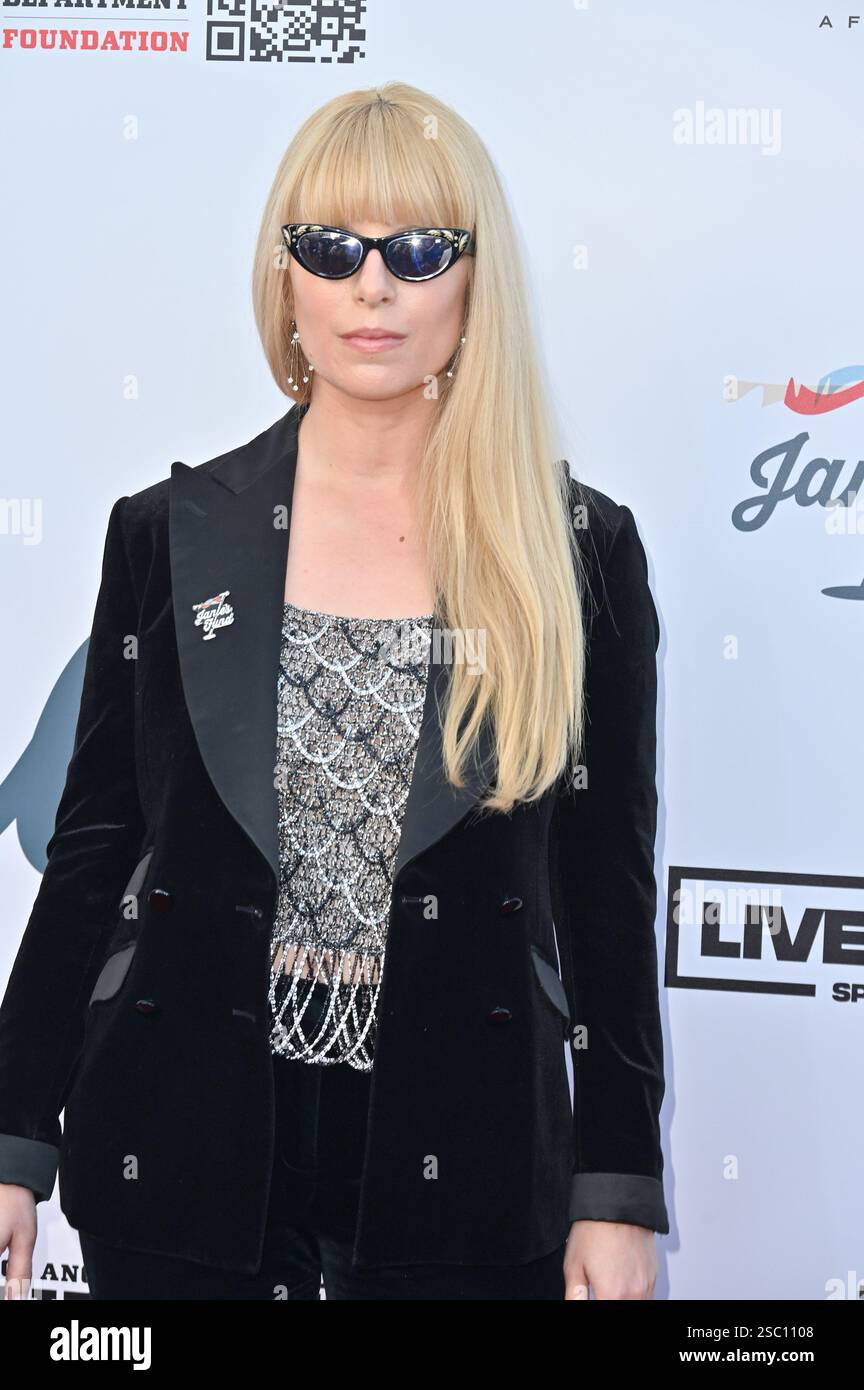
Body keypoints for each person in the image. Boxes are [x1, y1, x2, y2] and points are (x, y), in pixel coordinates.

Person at [0, 81, 668, 1301]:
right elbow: (94, 851)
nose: (374, 286)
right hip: (179, 1147)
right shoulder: (165, 535)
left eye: (418, 250)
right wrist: (11, 1141)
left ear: (475, 282)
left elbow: (607, 900)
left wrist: (616, 1189)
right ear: (286, 279)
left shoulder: (576, 551)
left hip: (466, 1159)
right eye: (332, 247)